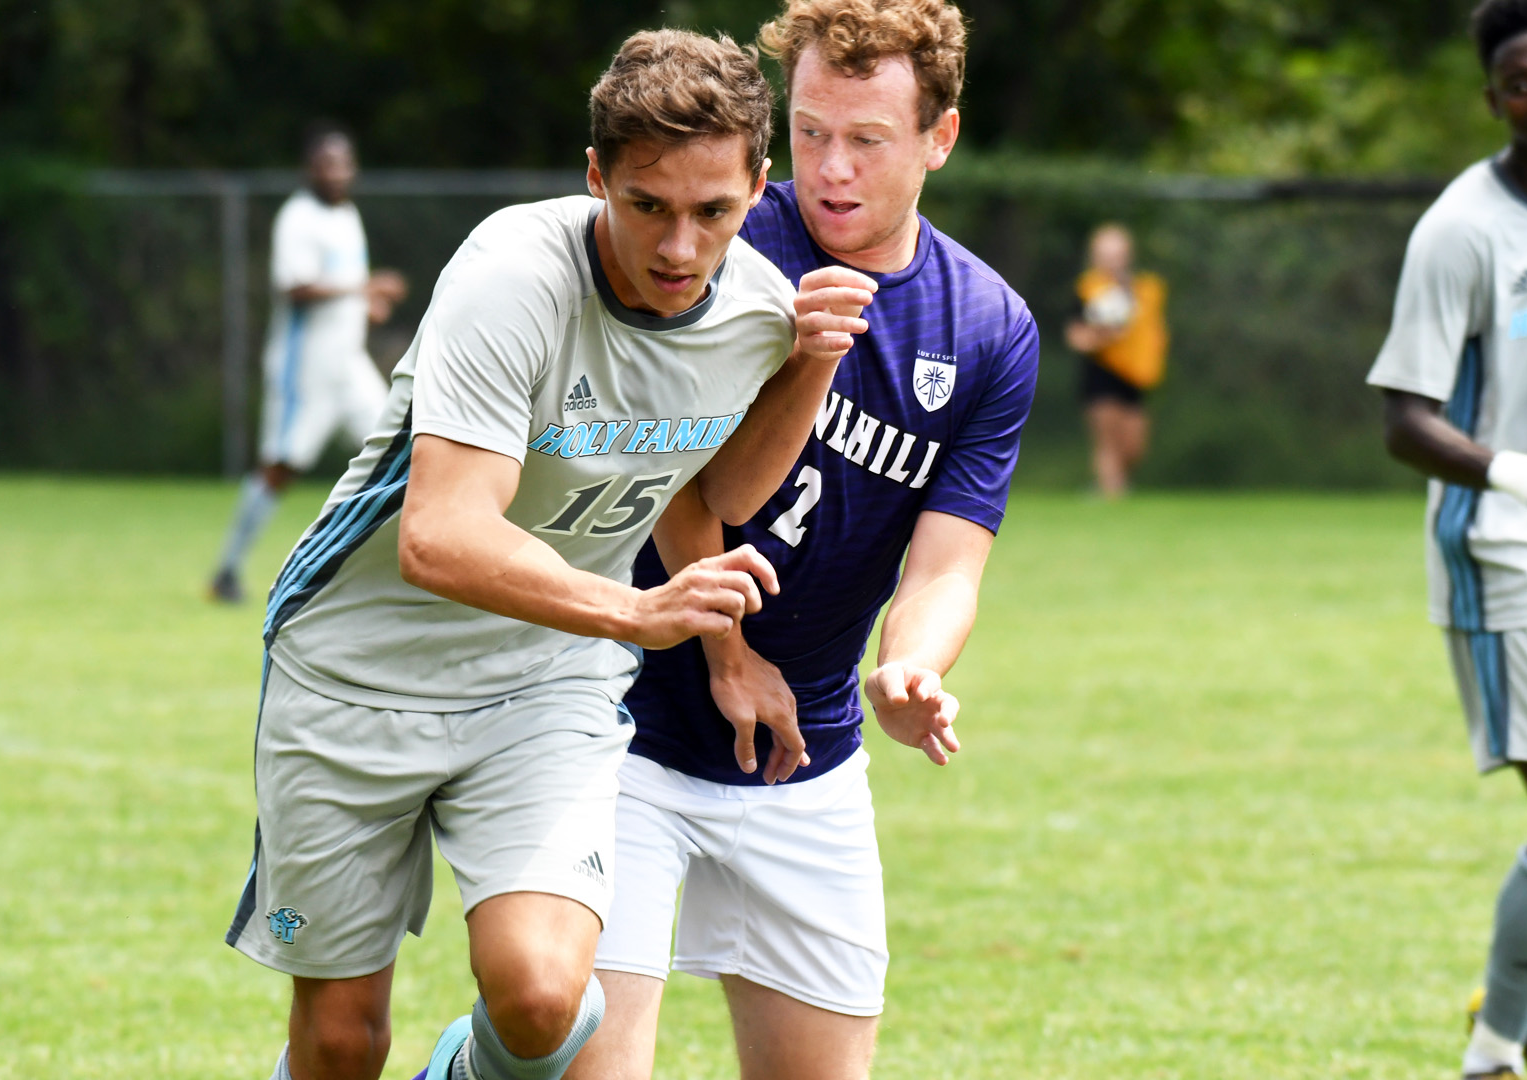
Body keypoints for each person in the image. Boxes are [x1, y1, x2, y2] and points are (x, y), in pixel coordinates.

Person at [218, 29, 878, 1080]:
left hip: (544, 681)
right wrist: (639, 615)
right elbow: (439, 537)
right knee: (344, 1039)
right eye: (647, 205)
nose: (678, 247)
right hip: (357, 670)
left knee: (542, 999)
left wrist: (807, 364)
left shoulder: (760, 310)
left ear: (760, 184)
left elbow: (717, 493)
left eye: (713, 212)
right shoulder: (512, 272)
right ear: (595, 179)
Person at [568, 2, 1039, 1078]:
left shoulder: (989, 328)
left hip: (805, 749)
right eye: (813, 130)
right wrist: (729, 654)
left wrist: (911, 667)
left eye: (868, 140)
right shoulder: (716, 231)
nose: (832, 168)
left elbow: (948, 561)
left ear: (939, 139)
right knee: (585, 1058)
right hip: (617, 721)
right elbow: (666, 474)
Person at [1366, 1, 1527, 1076]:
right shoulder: (1461, 227)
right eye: (1523, 81)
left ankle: (1524, 1023)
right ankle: (1497, 1048)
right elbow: (1406, 420)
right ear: (1494, 97)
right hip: (1507, 551)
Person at [208, 124, 407, 604]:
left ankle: (379, 578)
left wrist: (366, 307)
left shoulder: (347, 215)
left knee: (402, 454)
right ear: (310, 170)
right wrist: (362, 289)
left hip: (348, 366)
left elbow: (343, 290)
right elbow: (294, 287)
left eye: (344, 164)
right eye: (327, 164)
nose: (337, 173)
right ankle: (227, 571)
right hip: (306, 371)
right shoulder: (298, 217)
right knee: (282, 467)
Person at [1065, 222, 1165, 499]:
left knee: (1133, 447)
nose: (1111, 260)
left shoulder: (1146, 289)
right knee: (1107, 442)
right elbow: (1076, 336)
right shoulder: (1087, 289)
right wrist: (1103, 337)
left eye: (1116, 253)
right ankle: (1112, 496)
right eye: (1104, 253)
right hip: (1101, 373)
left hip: (1135, 376)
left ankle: (1110, 487)